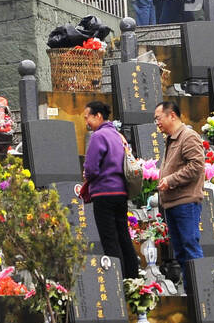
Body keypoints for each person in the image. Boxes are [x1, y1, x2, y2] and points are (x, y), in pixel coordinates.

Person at [81, 100, 140, 279]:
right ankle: (133, 278)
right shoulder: (117, 135)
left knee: (109, 239)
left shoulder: (98, 136)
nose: (86, 123)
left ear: (98, 116)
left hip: (103, 193)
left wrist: (86, 175)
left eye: (87, 118)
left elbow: (91, 168)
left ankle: (117, 279)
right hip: (121, 193)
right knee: (123, 236)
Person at [153, 101, 206, 292]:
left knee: (189, 247)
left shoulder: (188, 137)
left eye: (158, 118)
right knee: (181, 251)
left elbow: (196, 166)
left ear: (172, 115)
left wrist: (171, 180)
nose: (157, 123)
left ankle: (200, 293)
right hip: (172, 203)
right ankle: (190, 291)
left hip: (186, 202)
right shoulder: (172, 139)